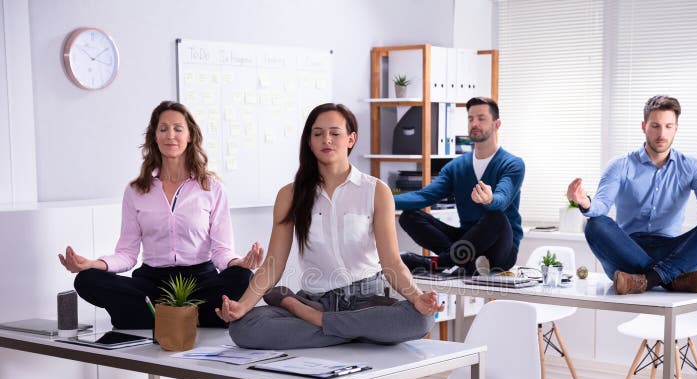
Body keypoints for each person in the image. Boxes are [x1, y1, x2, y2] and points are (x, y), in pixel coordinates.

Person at [216, 103, 440, 350]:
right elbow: (273, 264)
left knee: (422, 320)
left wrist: (417, 298)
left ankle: (312, 318)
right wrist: (242, 306)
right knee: (243, 328)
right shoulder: (289, 195)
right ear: (309, 141)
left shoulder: (376, 191)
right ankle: (357, 332)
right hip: (316, 300)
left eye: (335, 133)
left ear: (351, 139)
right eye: (318, 133)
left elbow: (392, 263)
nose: (327, 140)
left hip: (366, 302)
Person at [59, 101, 264, 328]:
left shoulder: (212, 188)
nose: (170, 135)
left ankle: (156, 317)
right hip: (153, 284)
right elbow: (126, 254)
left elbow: (221, 251)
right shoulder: (136, 190)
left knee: (242, 277)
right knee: (87, 279)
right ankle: (189, 317)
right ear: (155, 136)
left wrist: (240, 262)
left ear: (190, 136)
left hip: (200, 282)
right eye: (163, 129)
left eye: (178, 129)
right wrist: (93, 263)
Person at [566, 95, 697, 295]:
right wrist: (585, 202)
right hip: (626, 251)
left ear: (676, 128)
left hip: (670, 251)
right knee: (595, 224)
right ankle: (672, 279)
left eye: (668, 126)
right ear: (644, 126)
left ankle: (645, 280)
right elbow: (601, 205)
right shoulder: (620, 165)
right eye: (655, 126)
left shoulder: (692, 167)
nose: (662, 134)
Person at [394, 97, 525, 274]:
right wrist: (382, 199)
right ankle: (465, 264)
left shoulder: (513, 164)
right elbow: (424, 196)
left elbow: (502, 198)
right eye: (471, 119)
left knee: (496, 216)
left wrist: (490, 199)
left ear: (497, 124)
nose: (474, 123)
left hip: (499, 250)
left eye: (481, 118)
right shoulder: (456, 167)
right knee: (409, 216)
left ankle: (441, 263)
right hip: (467, 242)